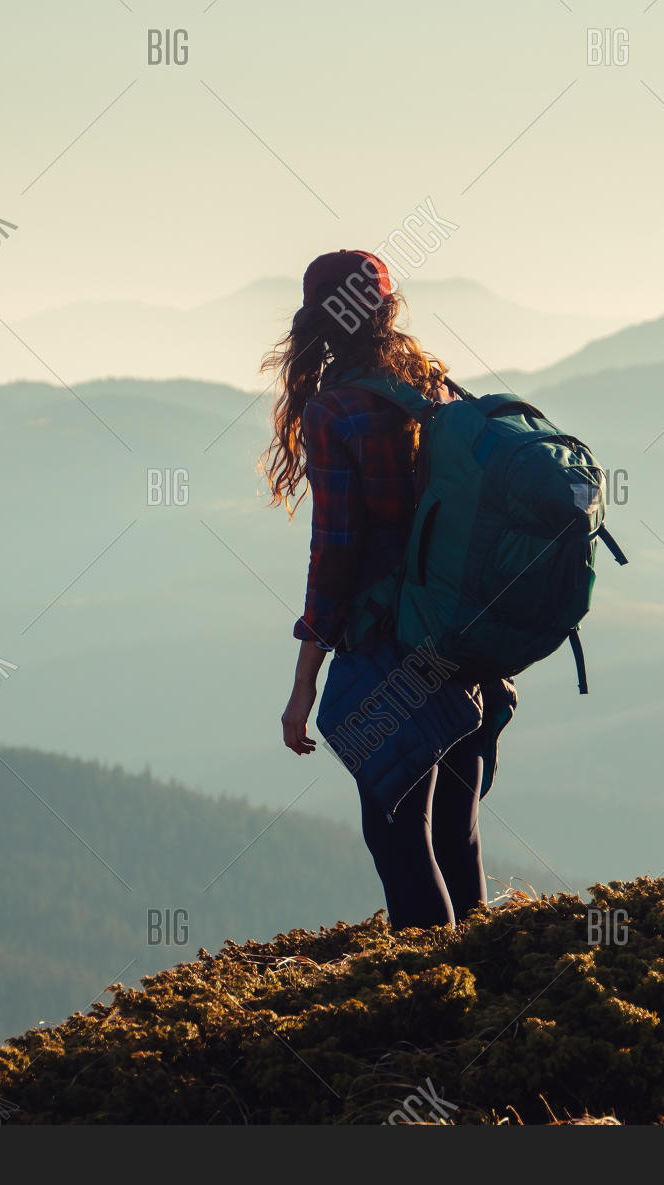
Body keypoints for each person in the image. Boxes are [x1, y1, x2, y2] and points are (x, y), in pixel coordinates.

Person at [261, 249, 514, 931]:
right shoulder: (432, 386)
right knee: (457, 831)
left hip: (394, 645)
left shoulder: (335, 411)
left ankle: (431, 989)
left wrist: (304, 681)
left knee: (398, 835)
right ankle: (485, 978)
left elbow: (335, 552)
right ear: (387, 308)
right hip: (468, 637)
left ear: (316, 321)